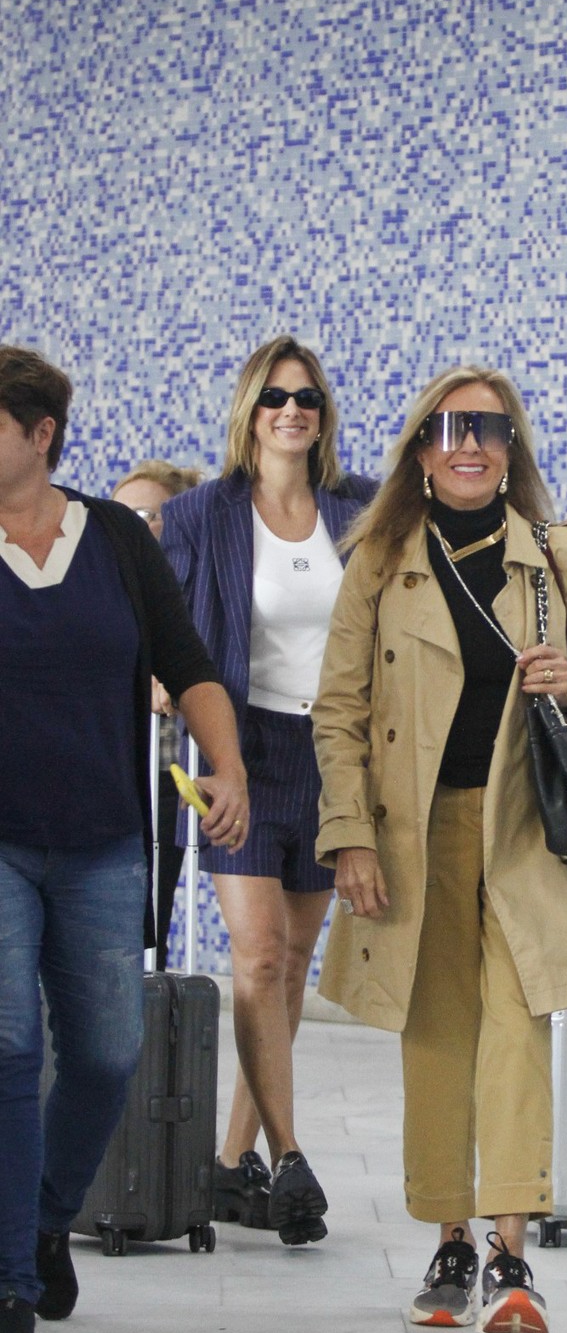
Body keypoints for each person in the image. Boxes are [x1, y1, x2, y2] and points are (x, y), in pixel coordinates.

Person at [311, 365, 567, 1333]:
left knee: (517, 1032)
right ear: (420, 448)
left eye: (489, 428)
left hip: (527, 829)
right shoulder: (376, 559)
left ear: (511, 448)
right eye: (450, 427)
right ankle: (450, 1238)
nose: (469, 443)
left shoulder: (554, 554)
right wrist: (349, 836)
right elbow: (337, 712)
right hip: (418, 836)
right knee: (440, 1034)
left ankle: (509, 1255)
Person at [0, 346, 248, 1333]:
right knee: (11, 1046)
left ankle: (48, 1213)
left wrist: (225, 765)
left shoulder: (112, 538)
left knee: (107, 1052)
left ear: (38, 434)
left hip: (103, 836)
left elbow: (186, 664)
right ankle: (11, 1276)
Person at [160, 335, 377, 1247]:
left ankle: (230, 1161)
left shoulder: (360, 509)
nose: (293, 410)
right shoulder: (201, 514)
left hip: (331, 753)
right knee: (253, 957)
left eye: (308, 398)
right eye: (275, 397)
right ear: (249, 412)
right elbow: (167, 628)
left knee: (288, 964)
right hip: (239, 751)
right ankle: (289, 1157)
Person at [112, 461, 204, 969]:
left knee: (148, 912)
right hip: (105, 772)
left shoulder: (193, 593)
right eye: (123, 513)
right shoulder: (95, 585)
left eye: (150, 514)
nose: (135, 525)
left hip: (165, 774)